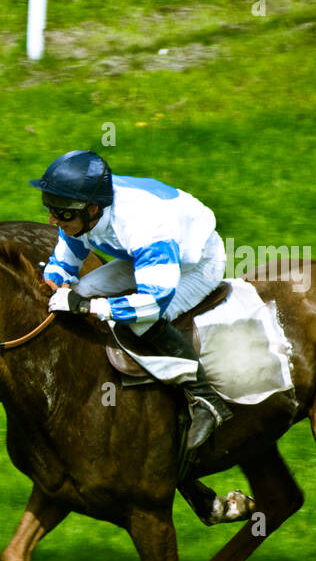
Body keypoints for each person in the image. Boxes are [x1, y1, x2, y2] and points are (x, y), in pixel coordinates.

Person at [30, 150, 232, 450]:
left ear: (94, 209)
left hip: (197, 264)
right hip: (139, 257)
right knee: (81, 289)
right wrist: (58, 276)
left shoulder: (144, 225)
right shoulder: (83, 212)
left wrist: (89, 308)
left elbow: (153, 302)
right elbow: (68, 254)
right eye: (51, 207)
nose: (52, 218)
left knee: (140, 323)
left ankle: (206, 399)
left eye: (61, 212)